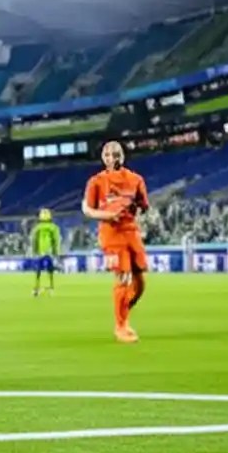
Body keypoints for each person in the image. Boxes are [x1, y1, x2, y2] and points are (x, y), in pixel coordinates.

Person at [82, 141, 149, 342]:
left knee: (140, 282)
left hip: (131, 232)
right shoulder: (96, 182)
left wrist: (137, 212)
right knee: (123, 277)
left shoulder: (136, 180)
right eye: (109, 154)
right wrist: (107, 215)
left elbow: (144, 206)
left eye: (116, 154)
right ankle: (121, 326)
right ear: (103, 158)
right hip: (111, 233)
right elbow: (87, 209)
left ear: (123, 156)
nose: (113, 158)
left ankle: (124, 308)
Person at [29, 209, 61, 297]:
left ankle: (36, 288)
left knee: (38, 271)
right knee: (50, 271)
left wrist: (34, 250)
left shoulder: (37, 227)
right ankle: (51, 288)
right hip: (50, 252)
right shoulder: (54, 227)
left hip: (40, 252)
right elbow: (56, 240)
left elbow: (34, 240)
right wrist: (56, 252)